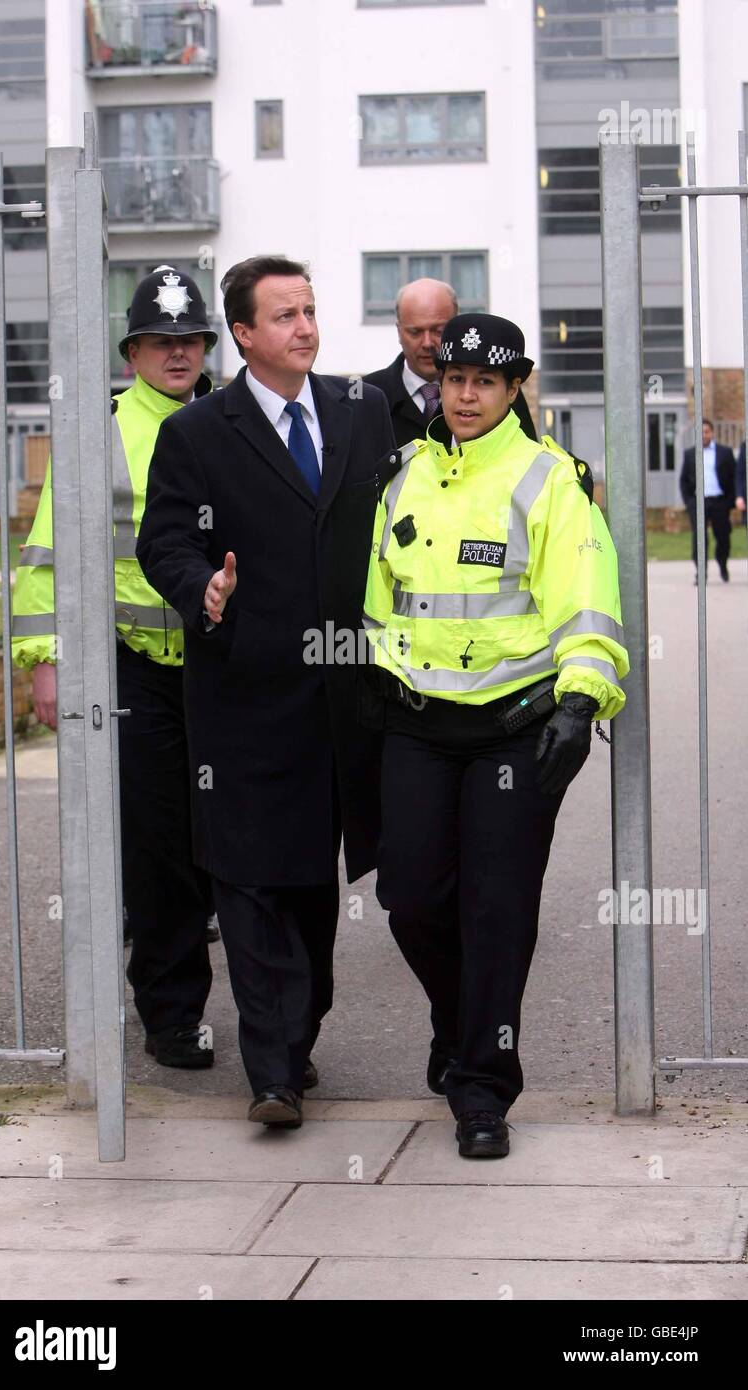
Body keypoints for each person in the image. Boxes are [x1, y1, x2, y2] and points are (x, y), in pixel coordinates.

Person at [136, 255, 397, 1130]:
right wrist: (203, 590)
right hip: (244, 695)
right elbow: (164, 543)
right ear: (243, 333)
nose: (305, 327)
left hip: (342, 698)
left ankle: (297, 1031)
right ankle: (273, 1071)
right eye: (284, 315)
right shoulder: (197, 433)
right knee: (248, 880)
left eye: (309, 311)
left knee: (311, 886)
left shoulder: (361, 411)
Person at [362, 313, 628, 1159]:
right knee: (409, 899)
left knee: (497, 910)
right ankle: (457, 1022)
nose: (466, 395)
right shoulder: (402, 475)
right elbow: (376, 602)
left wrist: (580, 701)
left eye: (484, 381)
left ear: (514, 389)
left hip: (514, 730)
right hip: (417, 724)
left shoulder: (550, 480)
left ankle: (481, 1088)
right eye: (454, 379)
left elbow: (585, 598)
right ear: (437, 384)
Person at [12, 266, 219, 1070]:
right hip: (137, 672)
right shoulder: (96, 434)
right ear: (131, 353)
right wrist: (45, 660)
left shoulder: (234, 424)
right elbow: (49, 552)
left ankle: (277, 1027)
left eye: (189, 339)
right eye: (160, 341)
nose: (177, 353)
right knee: (158, 849)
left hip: (224, 667)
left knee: (236, 840)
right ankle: (172, 1015)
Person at [364, 279, 458, 448]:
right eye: (415, 332)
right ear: (399, 332)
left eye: (439, 331)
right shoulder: (365, 397)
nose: (427, 343)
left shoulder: (488, 392)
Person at [680, 420, 735, 582]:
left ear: (712, 433)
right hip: (698, 502)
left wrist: (729, 502)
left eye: (706, 431)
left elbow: (733, 477)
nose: (704, 435)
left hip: (719, 502)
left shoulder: (725, 452)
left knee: (723, 537)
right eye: (701, 432)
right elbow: (684, 480)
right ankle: (701, 572)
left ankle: (722, 563)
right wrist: (689, 502)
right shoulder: (690, 454)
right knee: (699, 539)